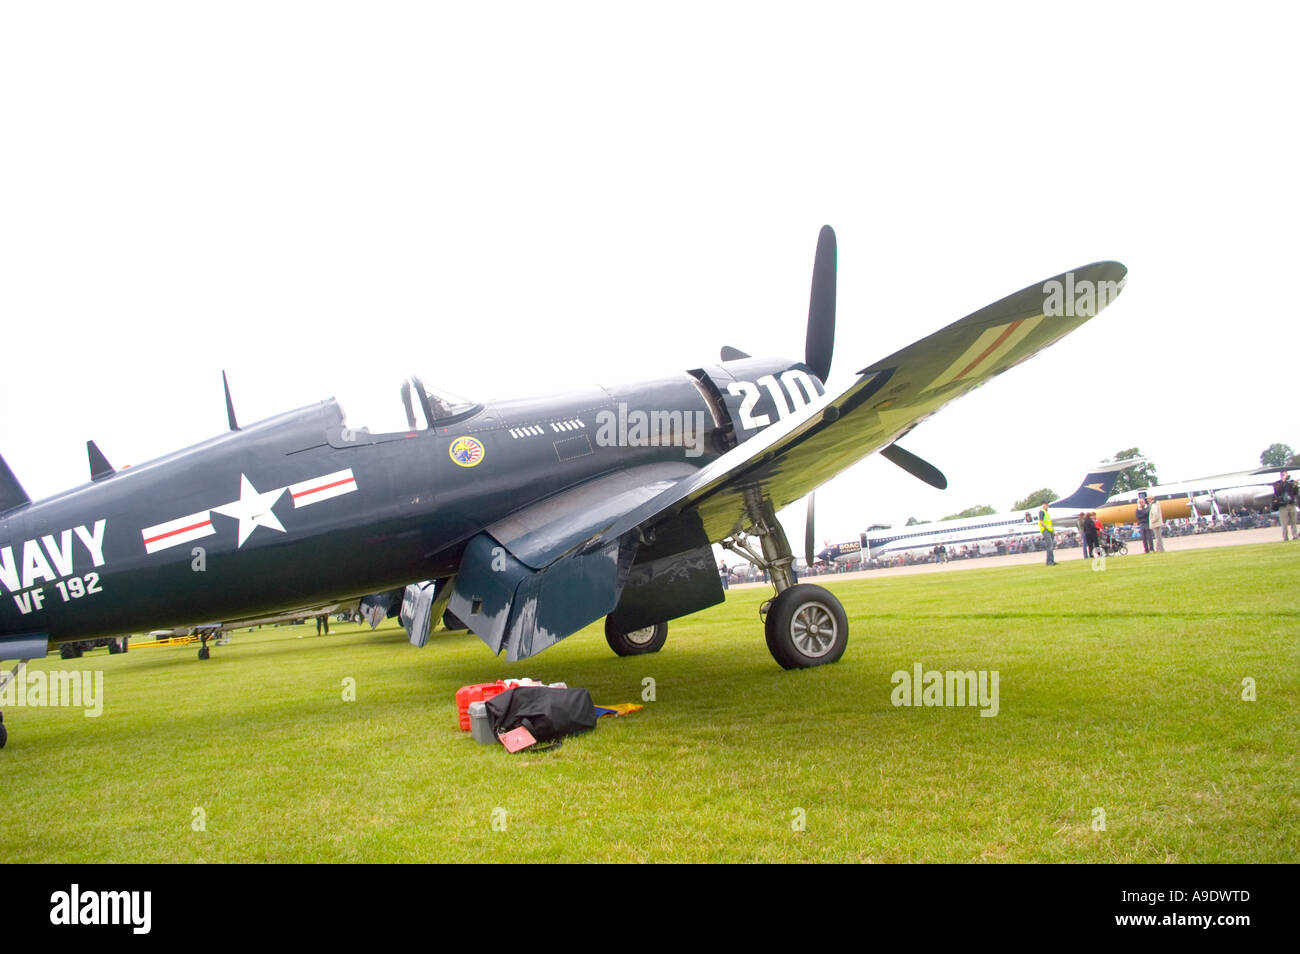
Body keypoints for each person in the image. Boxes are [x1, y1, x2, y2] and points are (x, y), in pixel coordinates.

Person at [1274, 470, 1299, 541]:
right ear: (1281, 475)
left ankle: (1295, 536)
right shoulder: (1277, 483)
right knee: (1284, 523)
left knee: (1293, 522)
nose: (1286, 476)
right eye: (1285, 475)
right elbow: (1277, 491)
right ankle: (1285, 537)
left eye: (1286, 474)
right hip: (1283, 506)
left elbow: (1295, 493)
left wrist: (1295, 486)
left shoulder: (1290, 483)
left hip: (1291, 504)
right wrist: (1283, 481)